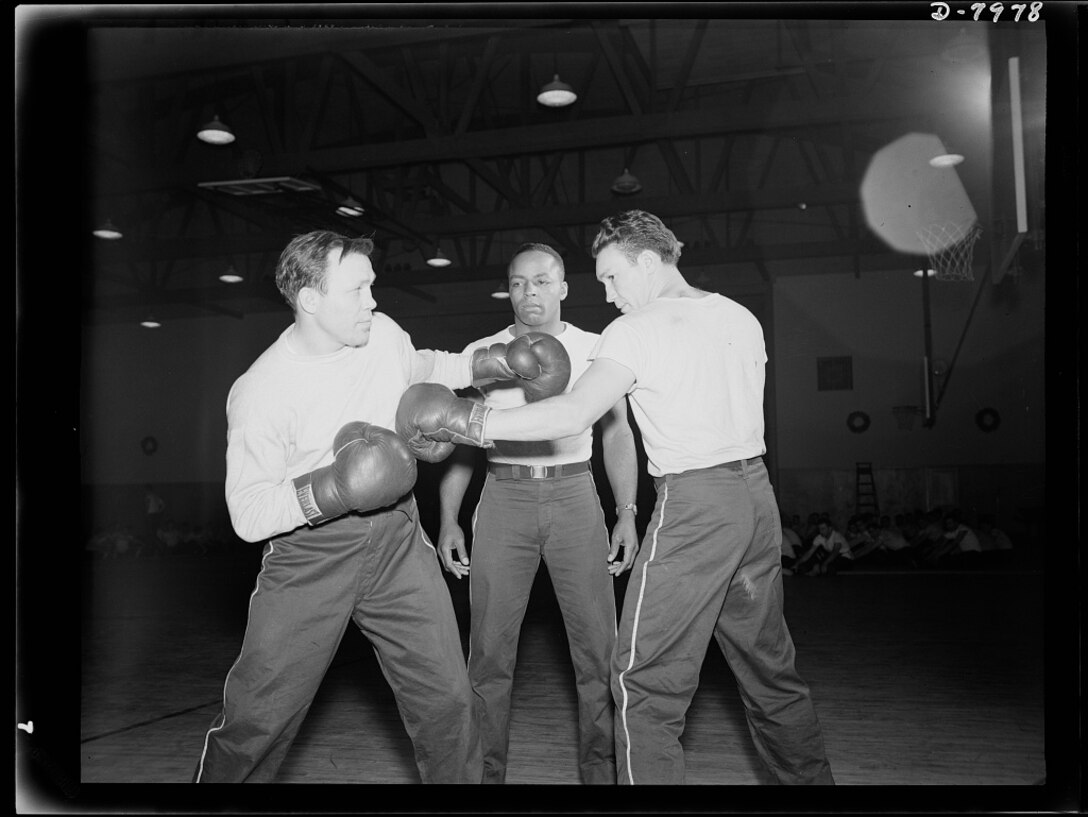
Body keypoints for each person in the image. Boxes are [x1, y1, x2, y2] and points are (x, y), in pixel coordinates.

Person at [397, 210, 834, 785]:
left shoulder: (631, 332)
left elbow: (581, 414)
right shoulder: (739, 316)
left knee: (637, 681)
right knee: (770, 670)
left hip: (689, 502)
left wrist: (465, 419)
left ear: (648, 263)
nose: (608, 295)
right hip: (753, 494)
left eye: (611, 278)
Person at [194, 229, 569, 784]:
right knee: (258, 722)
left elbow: (420, 367)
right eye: (357, 291)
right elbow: (248, 515)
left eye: (372, 286)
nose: (373, 301)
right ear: (310, 299)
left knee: (448, 704)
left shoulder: (381, 333)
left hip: (397, 542)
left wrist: (491, 364)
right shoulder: (262, 390)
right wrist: (334, 488)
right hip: (311, 560)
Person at [436, 242, 639, 785]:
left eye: (542, 282)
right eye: (519, 282)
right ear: (509, 287)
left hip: (576, 497)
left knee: (598, 653)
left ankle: (602, 780)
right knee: (489, 656)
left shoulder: (598, 349)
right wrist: (450, 518)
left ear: (564, 288)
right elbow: (461, 442)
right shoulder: (482, 353)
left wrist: (627, 512)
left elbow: (618, 432)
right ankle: (485, 781)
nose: (530, 293)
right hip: (503, 498)